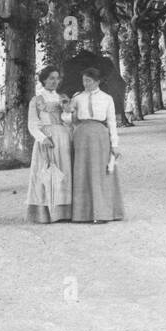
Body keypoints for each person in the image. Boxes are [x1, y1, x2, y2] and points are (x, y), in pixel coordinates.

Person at [70, 67, 124, 223]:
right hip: (81, 136)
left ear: (97, 81)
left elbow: (112, 122)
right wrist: (69, 111)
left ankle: (102, 213)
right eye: (84, 81)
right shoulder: (77, 97)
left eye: (89, 81)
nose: (86, 84)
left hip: (100, 136)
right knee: (82, 172)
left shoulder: (107, 98)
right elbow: (70, 121)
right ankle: (82, 214)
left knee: (100, 173)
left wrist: (115, 144)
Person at [25, 66, 74, 223]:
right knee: (45, 174)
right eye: (51, 78)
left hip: (63, 138)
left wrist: (67, 110)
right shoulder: (37, 99)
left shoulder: (63, 97)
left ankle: (63, 212)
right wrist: (42, 138)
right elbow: (32, 123)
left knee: (64, 173)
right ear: (44, 79)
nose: (54, 81)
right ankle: (44, 213)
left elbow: (68, 121)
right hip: (47, 138)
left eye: (57, 78)